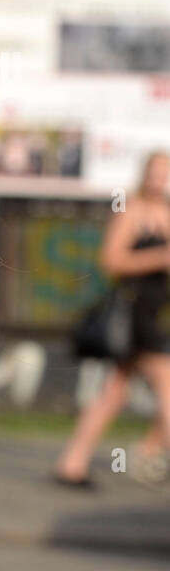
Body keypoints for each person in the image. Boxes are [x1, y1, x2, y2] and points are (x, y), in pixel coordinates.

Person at [55, 150, 170, 488]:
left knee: (114, 393)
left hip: (158, 313)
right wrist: (159, 256)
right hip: (137, 313)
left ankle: (72, 463)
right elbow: (112, 260)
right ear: (144, 174)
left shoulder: (166, 211)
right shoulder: (131, 209)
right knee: (166, 383)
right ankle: (147, 452)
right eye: (156, 172)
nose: (160, 179)